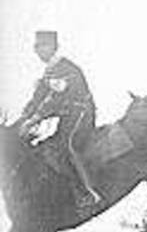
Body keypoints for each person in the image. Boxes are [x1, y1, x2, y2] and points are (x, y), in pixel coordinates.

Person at [18, 30, 102, 207]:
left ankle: (87, 193)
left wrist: (33, 120)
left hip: (81, 114)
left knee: (65, 147)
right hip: (68, 117)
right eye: (37, 47)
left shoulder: (65, 68)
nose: (39, 51)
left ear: (54, 47)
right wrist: (23, 118)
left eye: (43, 46)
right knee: (50, 148)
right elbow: (38, 97)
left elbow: (53, 100)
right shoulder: (49, 72)